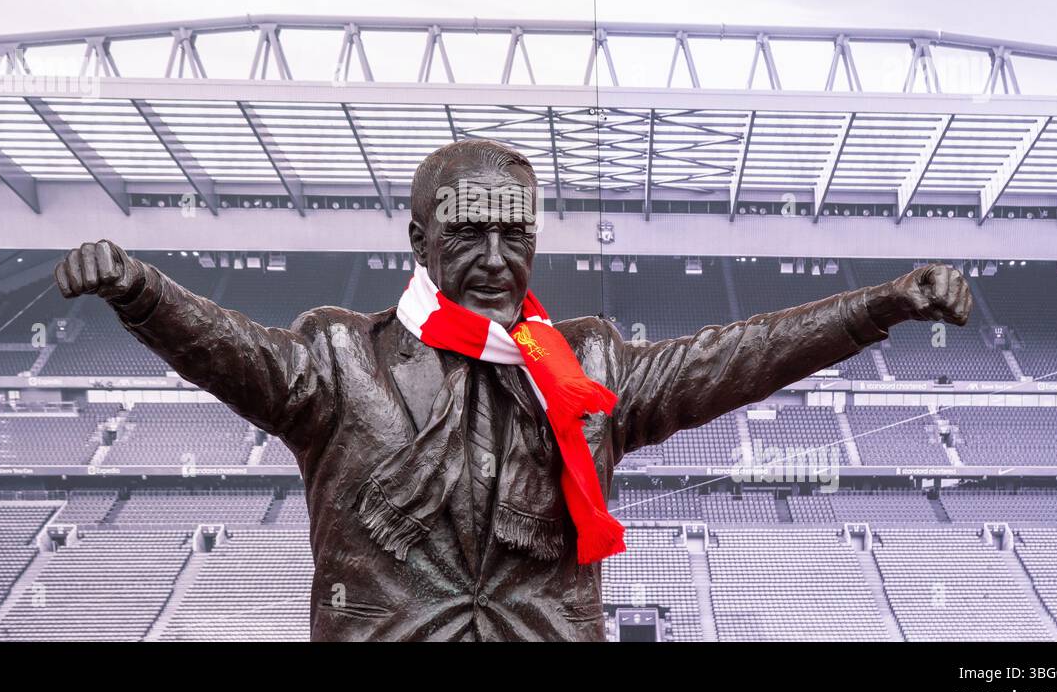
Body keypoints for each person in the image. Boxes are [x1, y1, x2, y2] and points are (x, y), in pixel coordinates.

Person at [54, 138, 971, 641]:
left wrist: (875, 307)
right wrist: (141, 292)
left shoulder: (589, 365)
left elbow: (733, 358)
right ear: (418, 244)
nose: (497, 258)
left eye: (516, 234)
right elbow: (230, 350)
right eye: (470, 234)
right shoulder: (338, 360)